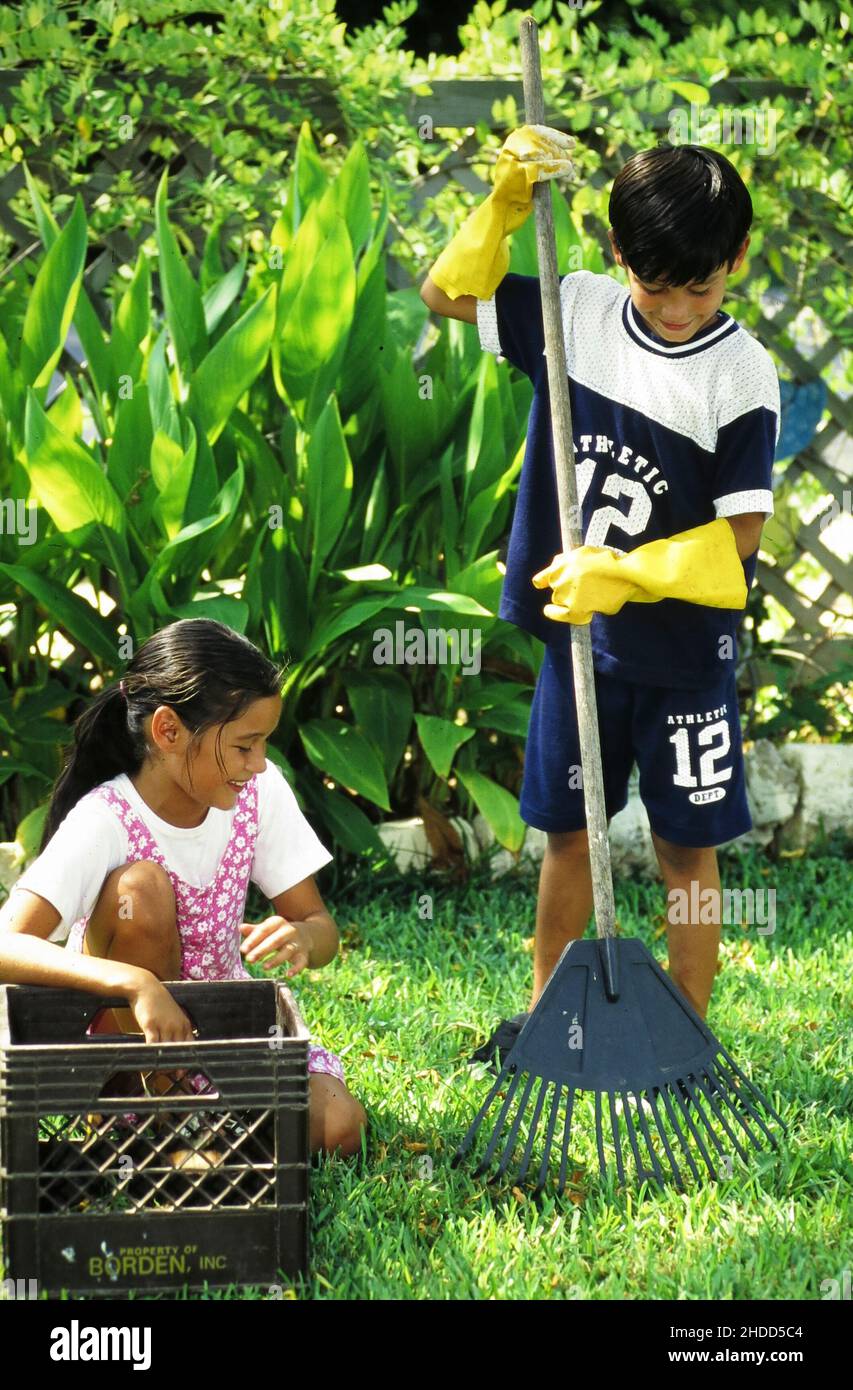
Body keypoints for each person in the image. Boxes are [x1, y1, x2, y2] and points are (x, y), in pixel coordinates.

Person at [420, 128, 780, 1068]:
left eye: (698, 288)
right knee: (568, 841)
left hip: (682, 665)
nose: (672, 310)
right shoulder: (572, 309)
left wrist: (624, 574)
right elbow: (446, 293)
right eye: (652, 286)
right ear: (617, 255)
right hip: (578, 650)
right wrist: (502, 200)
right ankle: (547, 1022)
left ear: (735, 261)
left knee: (684, 855)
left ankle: (687, 1039)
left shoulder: (739, 371)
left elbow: (739, 541)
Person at [0, 617, 367, 1158]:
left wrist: (303, 939)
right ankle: (151, 1115)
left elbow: (322, 927)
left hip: (224, 1030)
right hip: (126, 1045)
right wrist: (135, 985)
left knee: (338, 1129)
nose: (259, 763)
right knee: (140, 888)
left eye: (263, 743)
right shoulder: (106, 819)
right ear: (168, 731)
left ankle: (196, 1134)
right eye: (245, 746)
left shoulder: (259, 792)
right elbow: (9, 945)